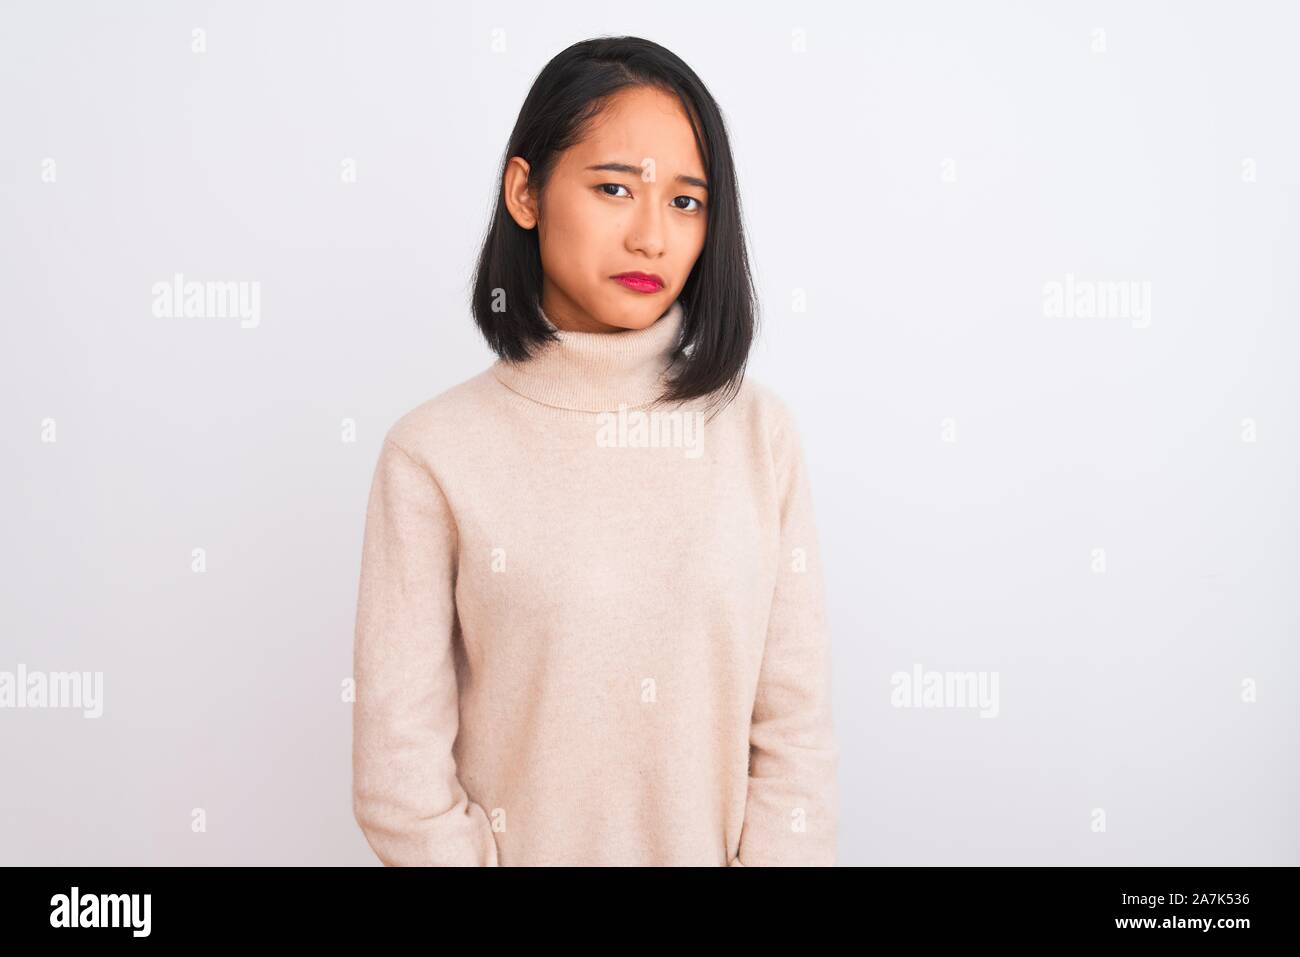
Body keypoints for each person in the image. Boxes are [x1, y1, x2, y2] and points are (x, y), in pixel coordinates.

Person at [351, 36, 839, 866]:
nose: (652, 236)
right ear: (526, 192)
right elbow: (399, 775)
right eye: (615, 188)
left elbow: (795, 741)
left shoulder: (762, 437)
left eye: (687, 202)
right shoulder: (432, 454)